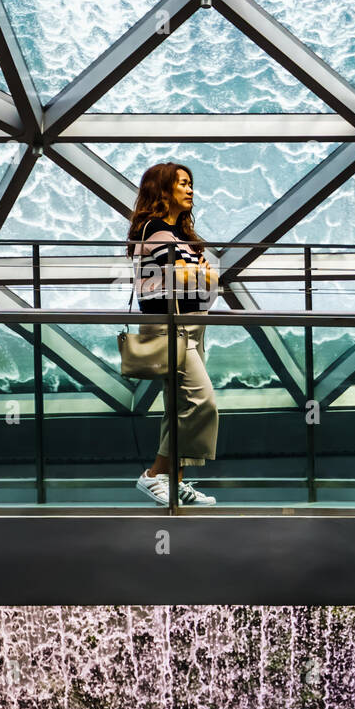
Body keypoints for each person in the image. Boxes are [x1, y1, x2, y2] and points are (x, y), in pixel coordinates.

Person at [125, 162, 219, 506]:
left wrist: (196, 274)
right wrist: (198, 274)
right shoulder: (154, 231)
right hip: (170, 328)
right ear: (164, 190)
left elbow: (208, 287)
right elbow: (183, 279)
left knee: (179, 407)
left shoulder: (180, 236)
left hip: (193, 327)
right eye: (182, 183)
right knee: (201, 402)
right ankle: (154, 476)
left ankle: (173, 481)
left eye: (191, 183)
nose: (190, 189)